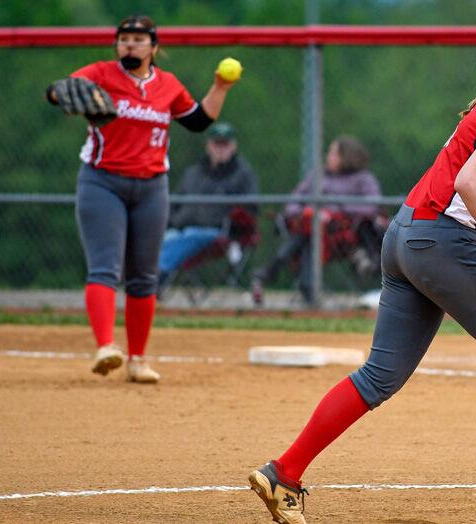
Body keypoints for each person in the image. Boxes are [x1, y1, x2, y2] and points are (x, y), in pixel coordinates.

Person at [248, 27, 476, 524]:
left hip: (409, 236)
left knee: (380, 375)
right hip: (443, 241)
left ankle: (284, 473)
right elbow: (469, 182)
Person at [45, 15, 238, 383]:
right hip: (102, 182)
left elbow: (198, 121)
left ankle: (137, 360)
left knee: (144, 276)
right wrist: (59, 92)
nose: (130, 45)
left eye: (138, 39)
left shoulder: (167, 84)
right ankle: (106, 346)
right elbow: (59, 90)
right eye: (124, 39)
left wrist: (220, 86)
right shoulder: (101, 73)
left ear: (154, 47)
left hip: (151, 187)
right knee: (104, 268)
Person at [250, 135, 381, 305]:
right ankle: (305, 290)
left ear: (347, 156)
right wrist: (310, 211)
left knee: (310, 230)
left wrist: (335, 209)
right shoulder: (318, 176)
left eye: (334, 153)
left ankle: (272, 270)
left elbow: (373, 206)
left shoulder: (362, 178)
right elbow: (293, 202)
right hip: (312, 227)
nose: (329, 156)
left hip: (341, 236)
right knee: (310, 223)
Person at [156, 122, 259, 293]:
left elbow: (251, 207)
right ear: (208, 145)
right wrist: (170, 221)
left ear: (233, 146)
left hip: (218, 231)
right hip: (182, 226)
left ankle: (158, 276)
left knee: (185, 237)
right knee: (161, 238)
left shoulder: (242, 174)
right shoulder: (194, 172)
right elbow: (175, 203)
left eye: (225, 144)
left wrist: (235, 225)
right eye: (217, 144)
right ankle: (149, 278)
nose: (220, 149)